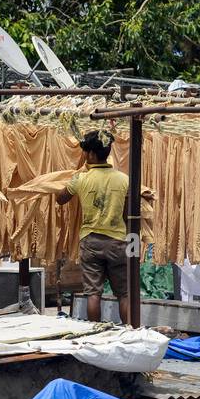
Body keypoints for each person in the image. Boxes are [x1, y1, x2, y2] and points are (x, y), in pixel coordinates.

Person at [57, 130, 133, 328]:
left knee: (93, 293)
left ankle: (96, 334)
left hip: (91, 242)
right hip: (118, 241)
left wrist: (74, 178)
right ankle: (130, 332)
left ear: (91, 154)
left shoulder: (81, 179)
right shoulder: (123, 179)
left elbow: (60, 198)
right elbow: (128, 213)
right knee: (124, 294)